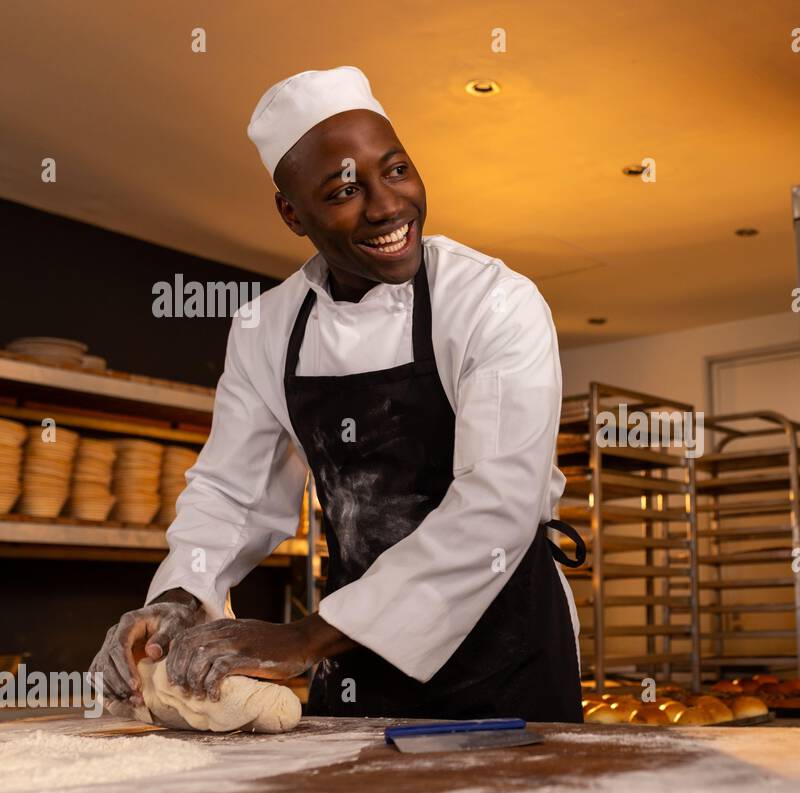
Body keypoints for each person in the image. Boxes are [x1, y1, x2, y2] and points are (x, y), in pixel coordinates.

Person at [89, 66, 585, 721]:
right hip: (354, 658)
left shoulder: (494, 303)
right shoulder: (267, 328)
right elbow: (230, 497)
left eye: (397, 169)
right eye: (344, 189)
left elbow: (497, 507)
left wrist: (300, 638)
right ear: (292, 212)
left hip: (507, 657)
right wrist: (180, 596)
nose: (386, 206)